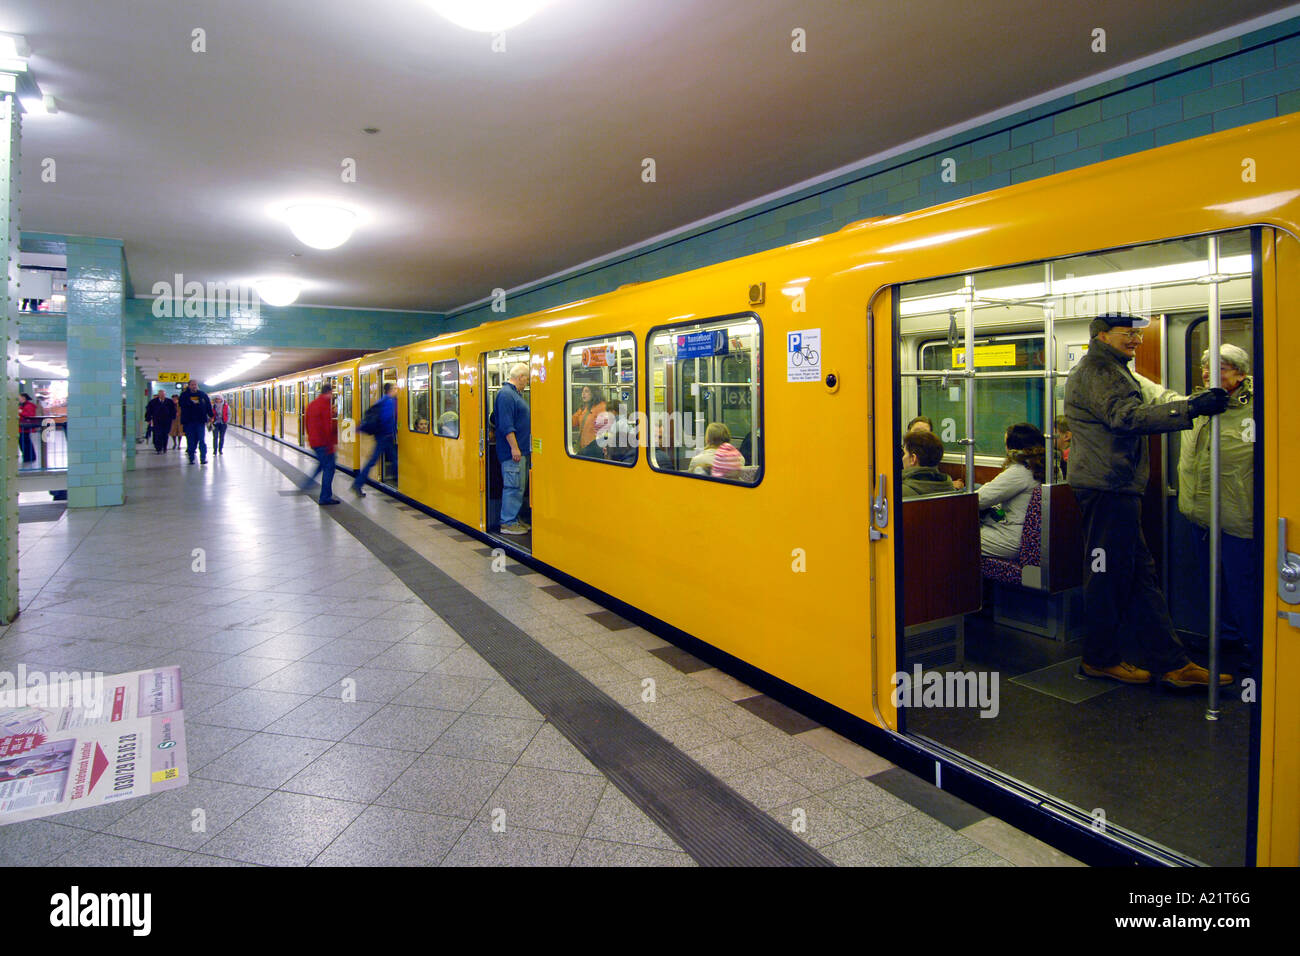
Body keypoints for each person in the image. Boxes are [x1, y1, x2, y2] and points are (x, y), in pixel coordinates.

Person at [1064, 312, 1231, 689]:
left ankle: (1171, 662)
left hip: (1116, 486)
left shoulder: (1115, 369)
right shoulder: (1099, 371)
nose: (1137, 339)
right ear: (1103, 335)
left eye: (1139, 333)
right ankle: (1099, 659)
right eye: (1129, 333)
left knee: (1140, 575)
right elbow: (1125, 418)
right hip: (1107, 487)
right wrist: (1190, 409)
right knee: (1106, 575)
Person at [1178, 344, 1258, 655]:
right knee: (1214, 585)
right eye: (1207, 368)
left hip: (1239, 517)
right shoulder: (1198, 405)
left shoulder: (1257, 408)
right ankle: (1226, 639)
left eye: (1221, 369)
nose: (1209, 374)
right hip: (1200, 515)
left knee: (1244, 588)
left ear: (1240, 375)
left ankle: (1256, 647)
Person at [977, 423, 1046, 557]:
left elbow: (978, 499)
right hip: (1037, 537)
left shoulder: (1020, 471)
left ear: (1012, 448)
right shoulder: (1051, 469)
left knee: (958, 538)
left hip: (1013, 538)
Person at [494, 363, 531, 535]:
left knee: (519, 487)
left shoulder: (513, 394)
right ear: (520, 377)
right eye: (527, 379)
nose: (527, 382)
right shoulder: (506, 395)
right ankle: (507, 522)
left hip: (521, 450)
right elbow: (506, 425)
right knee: (513, 486)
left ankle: (514, 518)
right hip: (513, 453)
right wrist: (514, 448)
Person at [352, 383, 397, 497]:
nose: (397, 390)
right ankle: (358, 483)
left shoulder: (381, 401)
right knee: (382, 460)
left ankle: (397, 479)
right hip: (385, 436)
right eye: (395, 388)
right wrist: (389, 432)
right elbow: (386, 419)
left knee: (391, 459)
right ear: (390, 390)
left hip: (381, 436)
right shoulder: (389, 402)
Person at [302, 383, 340, 505]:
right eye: (332, 394)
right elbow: (326, 427)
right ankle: (325, 497)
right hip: (324, 443)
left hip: (315, 442)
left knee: (321, 466)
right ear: (329, 393)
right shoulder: (325, 405)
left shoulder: (312, 404)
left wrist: (311, 438)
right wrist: (331, 445)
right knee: (329, 468)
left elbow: (306, 423)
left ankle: (306, 484)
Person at [900, 428, 956, 498]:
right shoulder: (950, 487)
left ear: (913, 459)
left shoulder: (901, 493)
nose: (902, 458)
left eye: (904, 453)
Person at [177, 380, 214, 464]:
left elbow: (208, 406)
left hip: (200, 421)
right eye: (192, 385)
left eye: (195, 385)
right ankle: (191, 457)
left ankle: (203, 458)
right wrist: (192, 404)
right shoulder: (184, 395)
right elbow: (181, 405)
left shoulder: (202, 394)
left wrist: (211, 416)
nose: (194, 386)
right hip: (188, 421)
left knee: (201, 440)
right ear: (189, 386)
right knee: (190, 440)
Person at [571, 385, 606, 450]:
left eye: (586, 391)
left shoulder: (602, 407)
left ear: (594, 393)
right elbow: (572, 422)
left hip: (596, 448)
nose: (583, 394)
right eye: (582, 391)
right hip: (584, 447)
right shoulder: (584, 408)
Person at [145, 390, 175, 455]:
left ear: (165, 395)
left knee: (165, 435)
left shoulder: (169, 402)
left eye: (163, 395)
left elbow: (173, 411)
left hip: (167, 421)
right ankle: (158, 448)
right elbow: (149, 411)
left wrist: (173, 418)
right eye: (160, 395)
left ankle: (164, 447)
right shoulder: (153, 402)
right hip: (157, 421)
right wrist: (148, 419)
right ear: (158, 395)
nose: (162, 396)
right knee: (158, 434)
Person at [18, 392, 39, 464]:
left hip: (25, 427)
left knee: (24, 442)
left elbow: (30, 415)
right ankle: (28, 456)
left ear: (23, 397)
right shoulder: (23, 406)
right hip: (22, 427)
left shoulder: (28, 406)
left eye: (19, 397)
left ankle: (29, 457)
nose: (18, 399)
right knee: (24, 442)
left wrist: (21, 412)